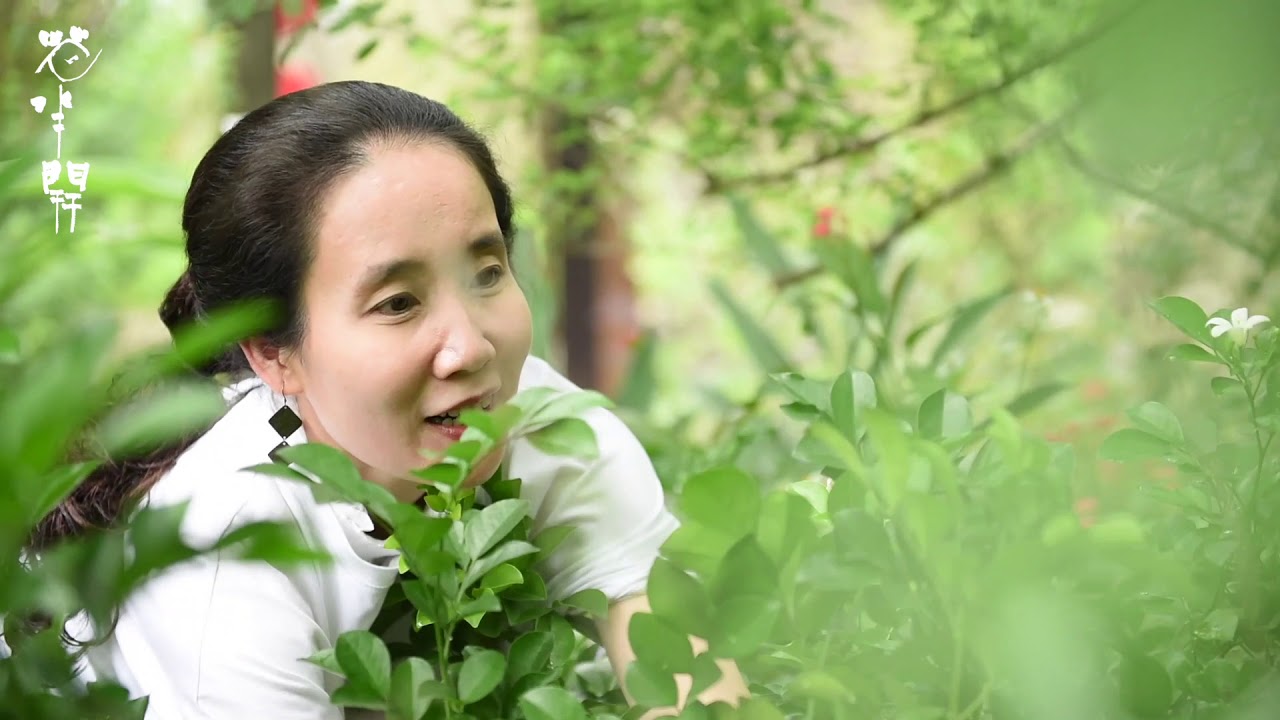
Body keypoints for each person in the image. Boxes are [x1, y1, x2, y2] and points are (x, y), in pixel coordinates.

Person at [37, 81, 748, 718]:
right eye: (399, 302)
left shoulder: (537, 417)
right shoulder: (228, 548)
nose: (470, 347)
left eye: (488, 271)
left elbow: (689, 679)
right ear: (273, 352)